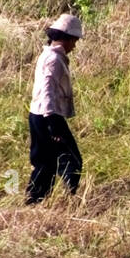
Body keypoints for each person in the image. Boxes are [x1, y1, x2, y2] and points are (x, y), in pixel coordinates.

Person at [26, 14, 84, 205]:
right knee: (72, 160)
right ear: (66, 38)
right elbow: (47, 90)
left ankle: (35, 200)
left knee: (45, 162)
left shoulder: (49, 54)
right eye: (74, 41)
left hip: (38, 114)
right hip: (48, 116)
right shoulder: (53, 59)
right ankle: (70, 198)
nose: (74, 46)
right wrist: (53, 122)